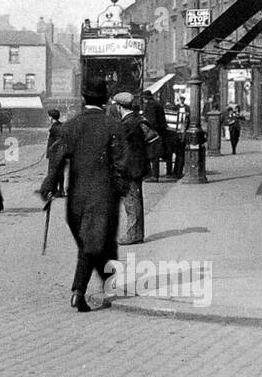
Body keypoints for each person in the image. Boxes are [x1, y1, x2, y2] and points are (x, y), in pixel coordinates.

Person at [38, 79, 127, 313]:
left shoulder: (71, 126)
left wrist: (48, 186)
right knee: (96, 242)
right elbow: (122, 163)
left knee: (92, 242)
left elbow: (56, 159)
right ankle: (80, 291)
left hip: (75, 199)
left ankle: (106, 283)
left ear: (84, 99)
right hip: (103, 197)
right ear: (106, 100)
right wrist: (121, 188)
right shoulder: (113, 125)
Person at [113, 92, 157, 245]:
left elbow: (120, 150)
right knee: (135, 200)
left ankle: (133, 235)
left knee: (131, 202)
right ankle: (137, 233)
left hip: (129, 168)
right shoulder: (138, 120)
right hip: (138, 166)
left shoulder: (126, 125)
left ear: (119, 107)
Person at [141, 91, 168, 182]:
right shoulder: (157, 104)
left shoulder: (151, 105)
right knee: (153, 154)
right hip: (160, 131)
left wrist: (145, 125)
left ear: (145, 98)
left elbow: (152, 120)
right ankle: (152, 175)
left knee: (152, 155)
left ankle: (153, 175)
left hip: (153, 133)